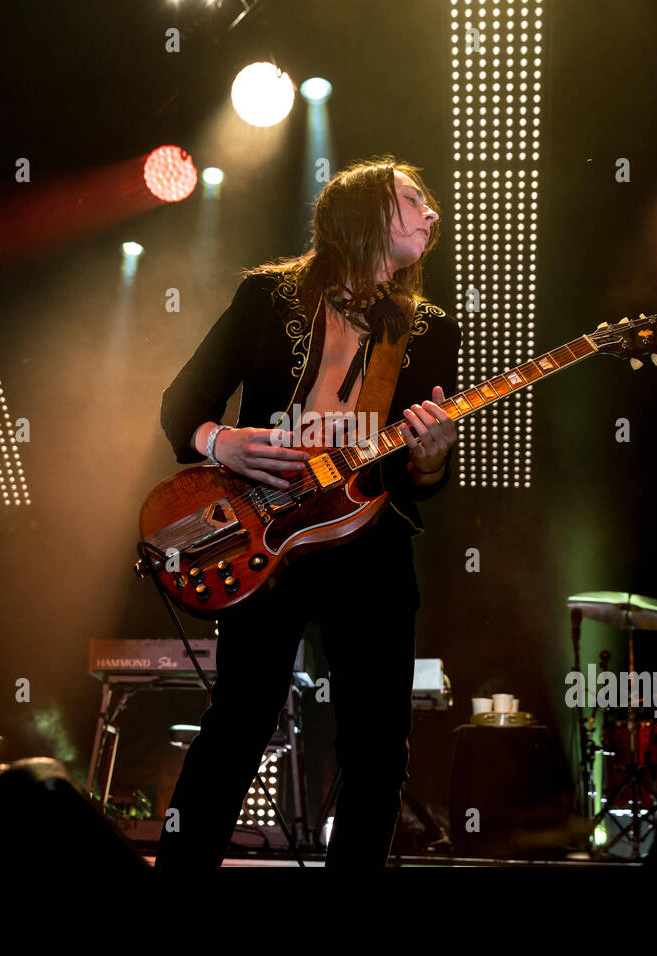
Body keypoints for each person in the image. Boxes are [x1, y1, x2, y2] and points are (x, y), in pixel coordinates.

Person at [154, 156, 461, 867]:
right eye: (413, 199)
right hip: (262, 530)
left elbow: (423, 481)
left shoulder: (427, 329)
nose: (432, 212)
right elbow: (182, 406)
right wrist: (224, 443)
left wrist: (433, 454)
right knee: (237, 725)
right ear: (361, 211)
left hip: (371, 544)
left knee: (379, 748)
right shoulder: (268, 298)